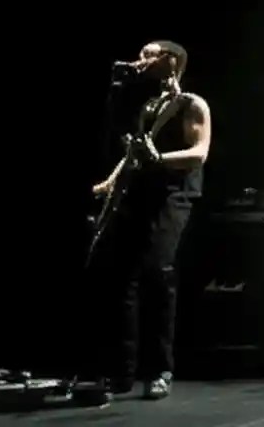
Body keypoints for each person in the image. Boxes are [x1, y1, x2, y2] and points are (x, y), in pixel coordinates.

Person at [75, 40, 211, 404]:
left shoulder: (191, 104)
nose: (142, 59)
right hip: (140, 195)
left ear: (172, 61)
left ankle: (159, 370)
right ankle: (122, 371)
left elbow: (199, 153)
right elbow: (137, 150)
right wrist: (108, 183)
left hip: (174, 196)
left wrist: (160, 159)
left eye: (151, 54)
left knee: (158, 273)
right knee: (122, 279)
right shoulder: (149, 106)